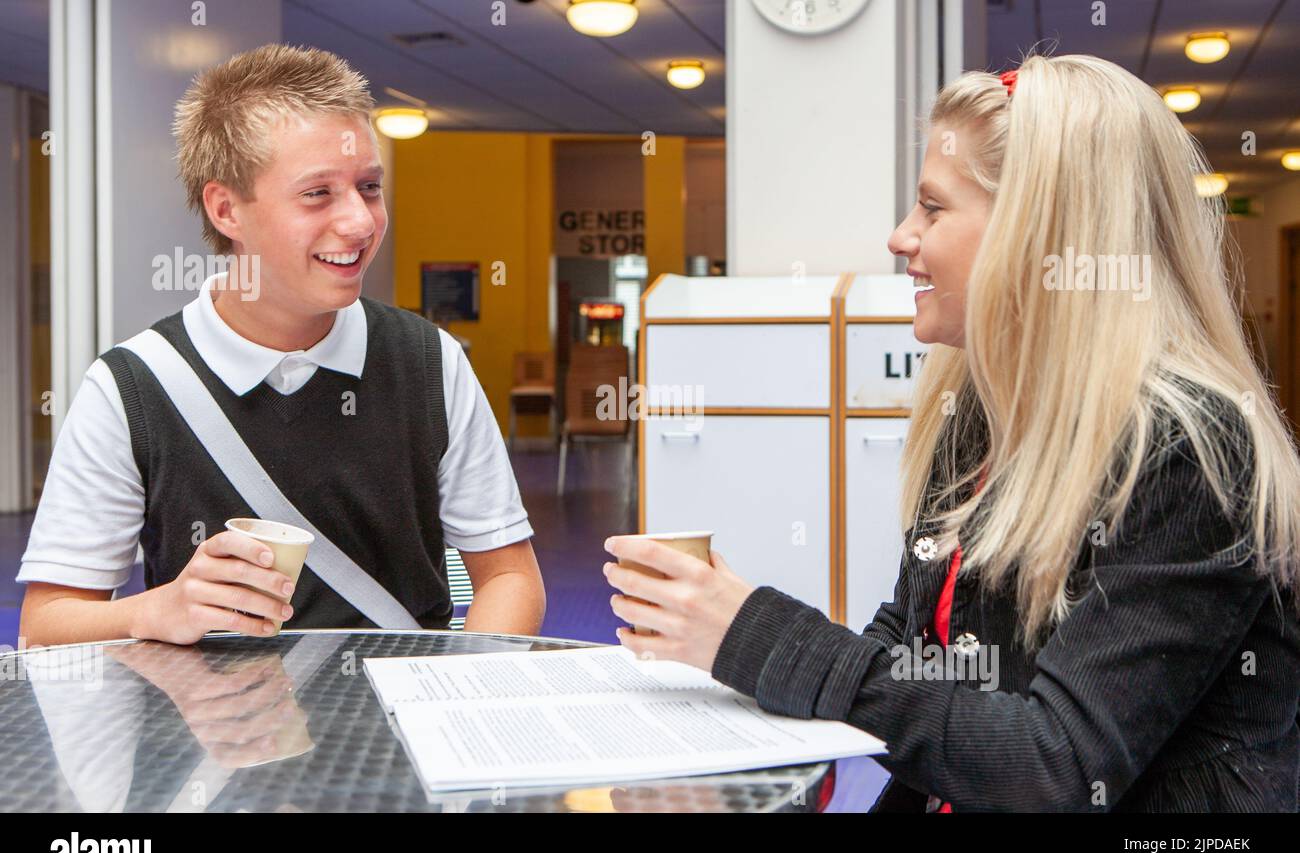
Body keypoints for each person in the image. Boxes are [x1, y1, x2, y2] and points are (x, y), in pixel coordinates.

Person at [603, 55, 1300, 812]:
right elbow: (917, 654)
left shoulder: (1190, 452)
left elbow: (1054, 765)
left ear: (1041, 235)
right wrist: (741, 667)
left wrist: (759, 635)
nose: (901, 237)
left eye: (933, 210)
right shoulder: (979, 411)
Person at [19, 44, 545, 647]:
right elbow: (48, 622)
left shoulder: (429, 363)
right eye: (317, 193)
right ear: (226, 209)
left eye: (369, 187)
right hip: (212, 733)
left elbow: (508, 575)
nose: (360, 222)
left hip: (405, 726)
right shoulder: (131, 389)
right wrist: (155, 611)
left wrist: (456, 702)